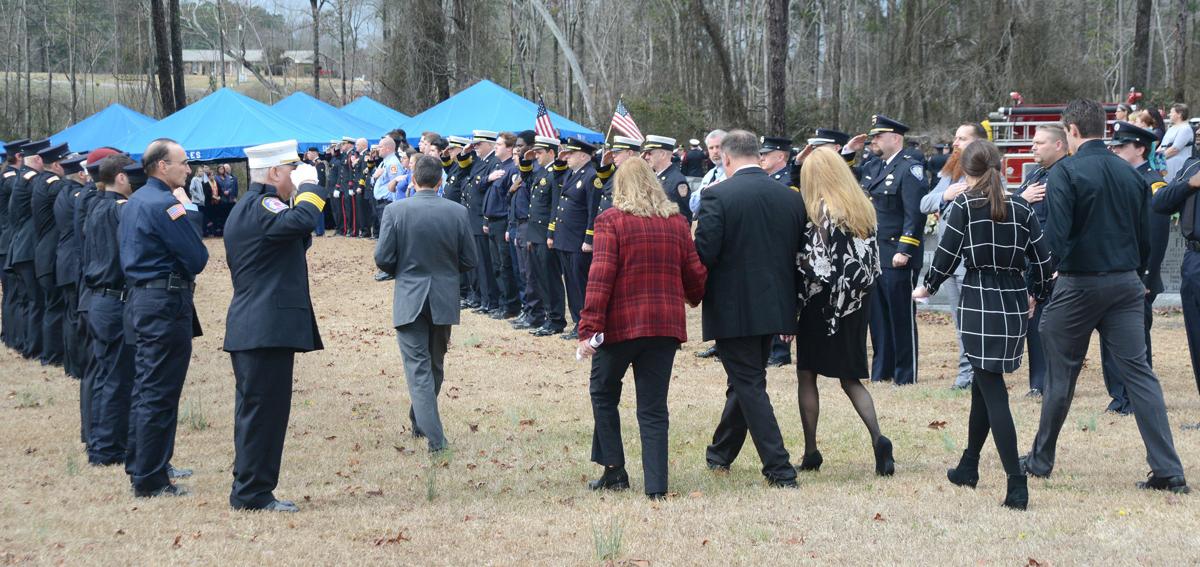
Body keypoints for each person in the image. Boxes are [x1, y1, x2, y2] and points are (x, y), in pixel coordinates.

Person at [1023, 99, 1189, 494]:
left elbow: (1056, 239)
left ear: (1072, 131)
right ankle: (1168, 470)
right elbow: (1146, 234)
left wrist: (1035, 282)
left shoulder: (1065, 172)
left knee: (1061, 374)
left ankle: (1040, 461)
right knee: (1140, 374)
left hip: (1080, 285)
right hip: (1127, 284)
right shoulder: (1131, 173)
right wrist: (1143, 275)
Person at [914, 140, 1053, 511]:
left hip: (978, 297)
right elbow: (1043, 263)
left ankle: (1016, 482)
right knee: (984, 380)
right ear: (1001, 167)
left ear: (967, 171)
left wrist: (927, 286)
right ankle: (969, 466)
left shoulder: (963, 205)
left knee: (993, 390)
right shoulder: (1023, 206)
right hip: (1011, 300)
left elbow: (945, 255)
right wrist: (1036, 293)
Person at [577, 157, 706, 500]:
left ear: (620, 186)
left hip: (620, 325)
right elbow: (694, 273)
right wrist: (694, 296)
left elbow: (600, 277)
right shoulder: (675, 222)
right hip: (663, 326)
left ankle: (615, 470)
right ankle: (656, 487)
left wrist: (589, 328)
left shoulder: (611, 221)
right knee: (653, 408)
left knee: (603, 393)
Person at [223, 140, 327, 513]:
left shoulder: (255, 208)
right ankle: (252, 493)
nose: (294, 179)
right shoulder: (263, 205)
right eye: (292, 171)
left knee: (258, 412)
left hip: (258, 328)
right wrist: (313, 187)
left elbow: (296, 238)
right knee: (264, 413)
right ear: (274, 173)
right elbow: (302, 221)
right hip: (263, 328)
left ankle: (249, 485)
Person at [697, 130, 806, 487]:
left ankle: (779, 468)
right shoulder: (789, 198)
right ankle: (721, 452)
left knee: (748, 383)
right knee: (746, 381)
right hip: (775, 303)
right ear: (757, 156)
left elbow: (705, 254)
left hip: (734, 306)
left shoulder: (717, 195)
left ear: (726, 159)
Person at [788, 147, 893, 477]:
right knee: (851, 379)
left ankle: (811, 450)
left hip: (822, 305)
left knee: (807, 374)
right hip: (856, 304)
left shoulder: (820, 211)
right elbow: (872, 264)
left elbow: (815, 265)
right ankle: (878, 438)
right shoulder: (862, 208)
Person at [120, 138, 209, 498]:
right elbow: (197, 257)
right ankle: (151, 478)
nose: (188, 169)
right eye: (183, 163)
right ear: (162, 167)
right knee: (159, 389)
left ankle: (145, 462)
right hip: (164, 303)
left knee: (146, 386)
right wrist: (189, 210)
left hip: (143, 299)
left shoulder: (135, 200)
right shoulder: (165, 204)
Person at [375, 155, 478, 452]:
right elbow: (469, 259)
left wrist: (403, 273)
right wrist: (445, 272)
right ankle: (422, 421)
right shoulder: (457, 212)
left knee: (422, 369)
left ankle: (435, 439)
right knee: (433, 366)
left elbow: (383, 257)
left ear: (414, 180)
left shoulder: (395, 210)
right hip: (442, 297)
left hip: (410, 296)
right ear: (441, 181)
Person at [845, 115, 928, 385]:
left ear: (895, 138)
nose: (874, 141)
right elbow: (845, 179)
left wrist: (905, 248)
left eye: (879, 136)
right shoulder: (873, 166)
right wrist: (848, 153)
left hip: (897, 254)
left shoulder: (910, 168)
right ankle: (883, 370)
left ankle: (905, 374)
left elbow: (914, 215)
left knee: (900, 316)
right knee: (878, 318)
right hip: (875, 253)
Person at [1099, 121, 1170, 415]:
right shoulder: (1121, 179)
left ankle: (1136, 397)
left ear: (1140, 149)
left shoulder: (1152, 183)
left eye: (1121, 146)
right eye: (1113, 146)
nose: (1114, 151)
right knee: (1111, 338)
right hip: (1114, 272)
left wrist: (1146, 277)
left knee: (1135, 341)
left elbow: (1155, 239)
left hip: (1137, 276)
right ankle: (1120, 396)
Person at [919, 123, 987, 390]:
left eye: (962, 138)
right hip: (951, 261)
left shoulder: (989, 174)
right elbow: (925, 202)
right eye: (955, 138)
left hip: (975, 259)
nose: (955, 143)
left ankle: (978, 374)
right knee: (960, 321)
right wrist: (945, 195)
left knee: (976, 321)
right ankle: (965, 376)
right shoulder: (951, 173)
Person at [82, 155, 138, 466]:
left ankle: (101, 444)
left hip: (97, 299)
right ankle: (108, 449)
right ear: (119, 178)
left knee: (105, 376)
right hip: (115, 300)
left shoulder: (95, 206)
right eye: (131, 175)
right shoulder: (120, 210)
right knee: (119, 378)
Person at [1014, 124, 1068, 397]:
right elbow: (1016, 210)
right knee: (1034, 327)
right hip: (1032, 262)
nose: (1033, 147)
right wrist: (1021, 199)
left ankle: (1052, 382)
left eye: (1039, 143)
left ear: (1059, 145)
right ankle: (1039, 382)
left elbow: (1059, 226)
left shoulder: (1065, 175)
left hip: (1055, 265)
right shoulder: (1036, 174)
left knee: (1052, 327)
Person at [1151, 138, 1200, 408]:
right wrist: (1189, 184)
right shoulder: (1191, 168)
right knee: (1196, 337)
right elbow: (1160, 204)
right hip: (1194, 260)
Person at [549, 137, 601, 340]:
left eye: (571, 154)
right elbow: (555, 181)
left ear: (582, 155)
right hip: (565, 239)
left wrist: (589, 238)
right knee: (570, 282)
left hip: (579, 241)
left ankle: (585, 323)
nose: (567, 157)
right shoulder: (571, 173)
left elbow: (592, 211)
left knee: (581, 284)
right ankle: (577, 322)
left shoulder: (591, 176)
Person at [518, 136, 568, 337]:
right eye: (535, 152)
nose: (536, 155)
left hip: (546, 234)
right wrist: (525, 160)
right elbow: (527, 179)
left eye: (539, 152)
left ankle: (556, 319)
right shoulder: (541, 172)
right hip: (536, 234)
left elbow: (555, 205)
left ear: (551, 152)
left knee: (550, 279)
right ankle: (549, 317)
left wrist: (551, 232)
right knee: (541, 278)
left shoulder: (556, 174)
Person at [7, 138, 51, 361]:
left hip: (21, 247)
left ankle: (21, 341)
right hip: (28, 248)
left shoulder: (22, 177)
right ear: (38, 159)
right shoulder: (32, 179)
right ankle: (32, 347)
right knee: (35, 301)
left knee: (27, 299)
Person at [31, 142, 73, 368]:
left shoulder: (40, 182)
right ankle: (53, 355)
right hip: (50, 255)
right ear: (56, 164)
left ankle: (51, 353)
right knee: (56, 307)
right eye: (65, 163)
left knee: (52, 306)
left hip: (43, 253)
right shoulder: (54, 185)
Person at [758, 135, 796, 368]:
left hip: (781, 247)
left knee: (780, 297)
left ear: (780, 156)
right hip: (767, 246)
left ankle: (781, 351)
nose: (761, 157)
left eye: (766, 154)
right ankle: (772, 348)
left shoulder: (787, 181)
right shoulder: (769, 179)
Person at [53, 154, 90, 381]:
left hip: (65, 260)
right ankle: (78, 366)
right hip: (74, 261)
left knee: (70, 316)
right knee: (76, 317)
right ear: (80, 173)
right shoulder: (77, 195)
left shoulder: (63, 192)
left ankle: (71, 364)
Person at [481, 132, 522, 319]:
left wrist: (507, 226)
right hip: (493, 220)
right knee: (497, 265)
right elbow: (488, 193)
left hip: (503, 221)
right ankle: (501, 302)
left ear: (509, 148)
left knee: (506, 266)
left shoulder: (511, 170)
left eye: (499, 144)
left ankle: (510, 305)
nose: (495, 147)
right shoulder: (497, 167)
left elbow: (509, 200)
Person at [0, 139, 31, 351]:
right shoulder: (11, 177)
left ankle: (10, 335)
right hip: (8, 241)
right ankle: (13, 337)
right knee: (14, 293)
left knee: (12, 293)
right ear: (20, 156)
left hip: (8, 242)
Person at [642, 135, 692, 221]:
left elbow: (684, 218)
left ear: (663, 154)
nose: (646, 157)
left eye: (650, 153)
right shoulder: (655, 176)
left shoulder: (677, 181)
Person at [688, 129, 727, 222]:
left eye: (718, 147)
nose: (715, 151)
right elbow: (693, 206)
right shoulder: (710, 174)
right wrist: (703, 192)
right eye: (711, 148)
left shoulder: (734, 173)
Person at [1161, 104, 1194, 180]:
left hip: (1176, 167)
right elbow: (1163, 145)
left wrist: (1158, 158)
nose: (1169, 114)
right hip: (1165, 165)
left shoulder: (1185, 129)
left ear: (1179, 114)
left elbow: (1175, 149)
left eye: (1172, 112)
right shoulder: (1172, 128)